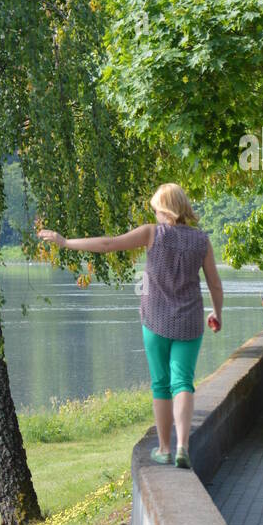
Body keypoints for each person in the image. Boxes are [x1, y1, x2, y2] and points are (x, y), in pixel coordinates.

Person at [38, 183, 223, 469]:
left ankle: (164, 448)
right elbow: (214, 282)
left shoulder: (152, 233)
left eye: (156, 209)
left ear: (164, 209)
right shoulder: (201, 241)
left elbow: (108, 244)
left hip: (155, 320)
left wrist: (65, 243)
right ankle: (183, 447)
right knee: (183, 382)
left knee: (161, 385)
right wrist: (217, 312)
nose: (156, 214)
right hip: (189, 321)